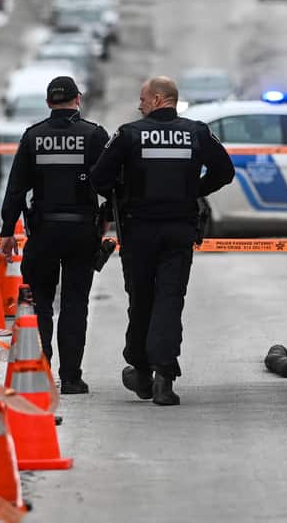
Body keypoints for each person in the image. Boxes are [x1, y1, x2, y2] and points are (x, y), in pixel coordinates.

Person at [90, 76, 234, 406]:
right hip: (179, 230)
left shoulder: (128, 134)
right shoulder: (196, 132)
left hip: (138, 230)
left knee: (141, 299)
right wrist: (193, 191)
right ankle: (164, 378)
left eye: (142, 99)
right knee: (170, 299)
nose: (139, 105)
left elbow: (99, 177)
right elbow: (224, 171)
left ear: (157, 99)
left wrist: (121, 195)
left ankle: (140, 369)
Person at [0, 76, 110, 394]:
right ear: (77, 99)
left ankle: (40, 370)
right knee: (75, 303)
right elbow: (110, 184)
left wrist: (7, 231)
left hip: (44, 232)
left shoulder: (33, 136)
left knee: (41, 304)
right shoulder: (94, 135)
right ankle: (72, 378)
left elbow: (16, 188)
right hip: (81, 232)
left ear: (49, 103)